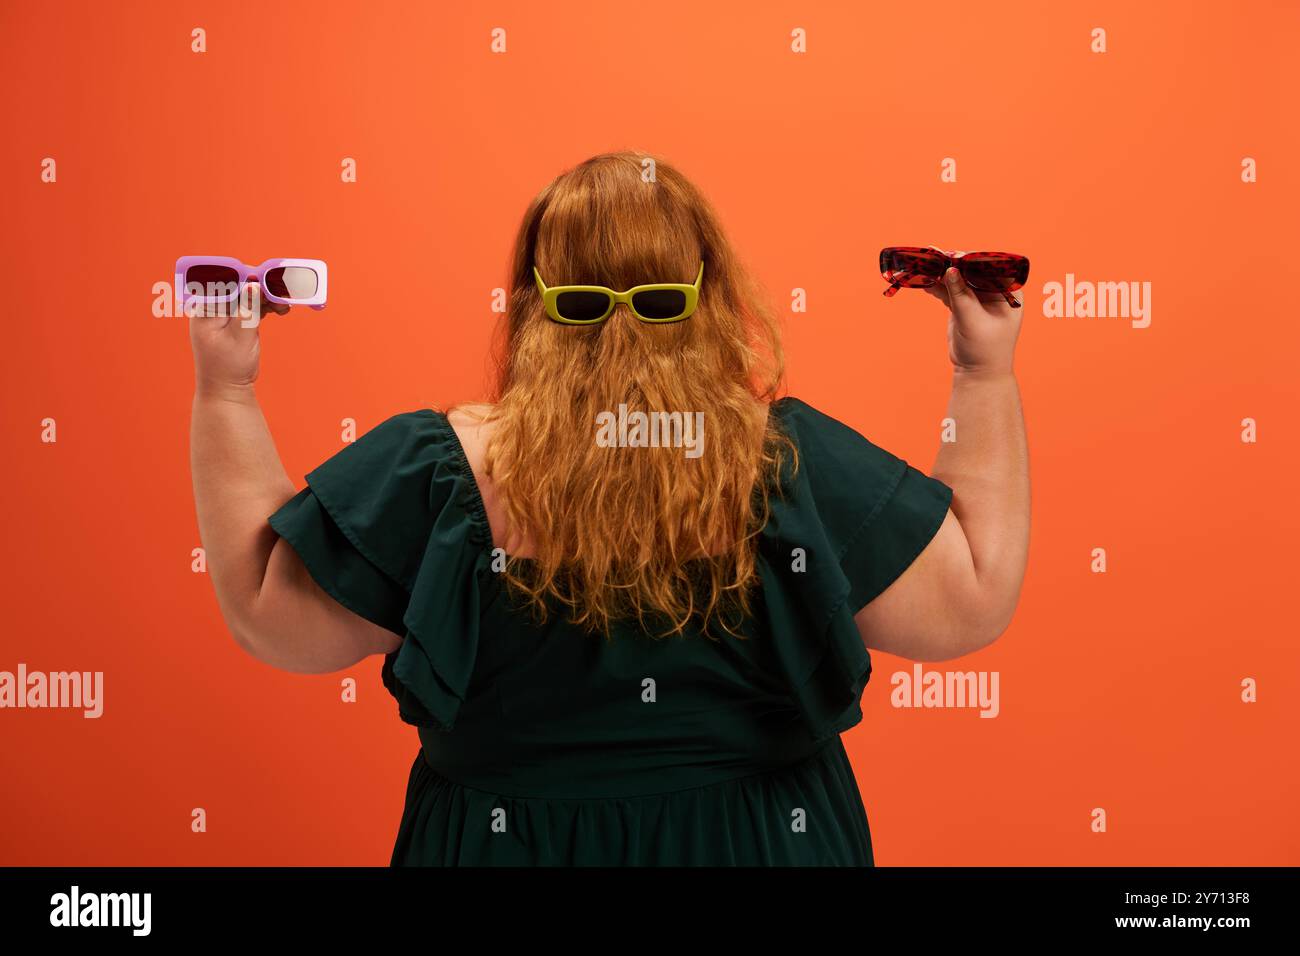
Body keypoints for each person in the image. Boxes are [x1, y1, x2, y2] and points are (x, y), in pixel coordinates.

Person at [188, 151, 1029, 865]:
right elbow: (971, 598)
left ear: (531, 301)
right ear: (710, 293)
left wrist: (227, 387)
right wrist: (982, 371)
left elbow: (273, 619)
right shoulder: (784, 461)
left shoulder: (441, 470)